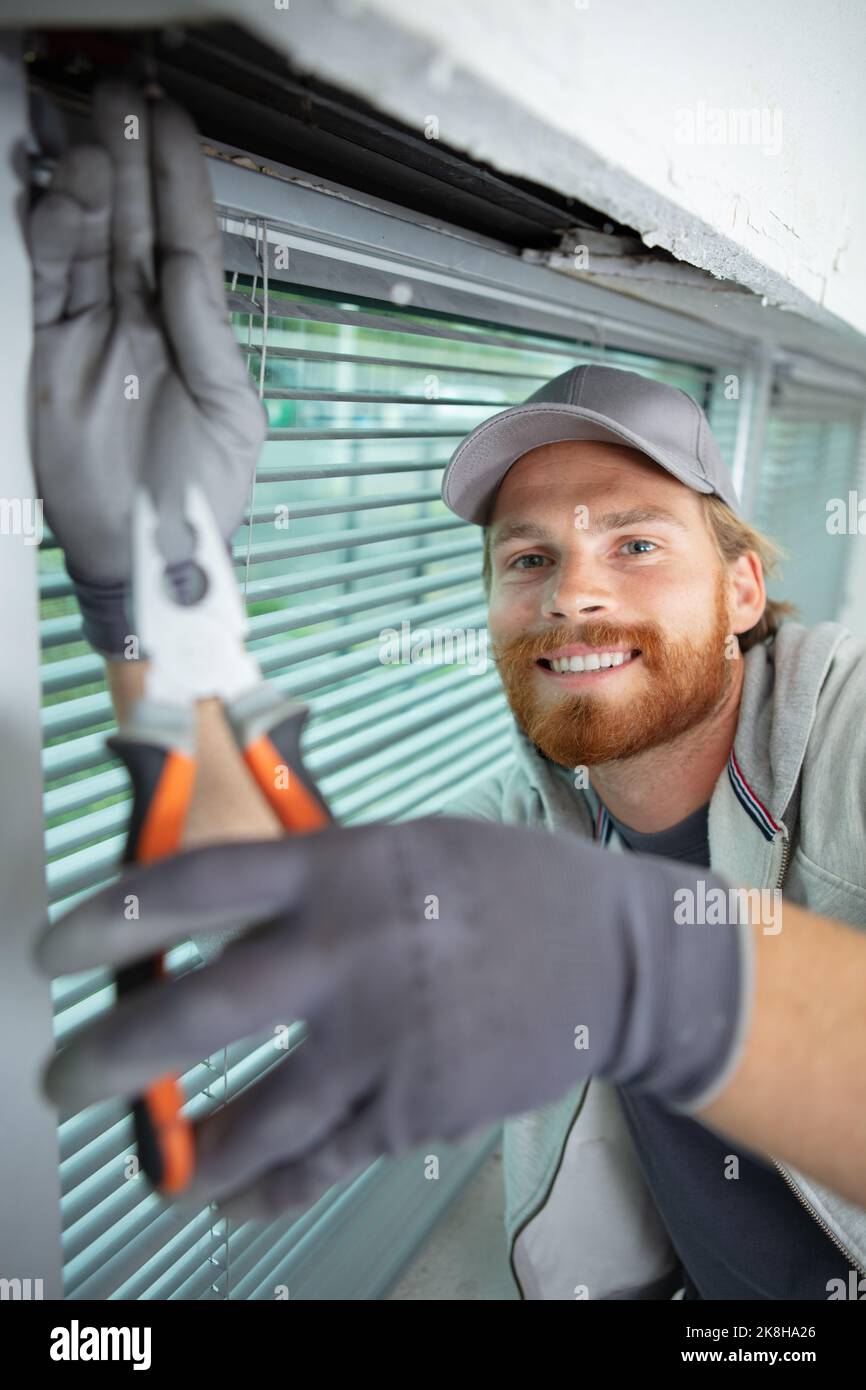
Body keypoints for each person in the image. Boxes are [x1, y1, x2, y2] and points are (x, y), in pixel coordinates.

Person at [30, 84, 866, 1297]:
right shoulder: (540, 817)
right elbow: (288, 924)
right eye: (528, 559)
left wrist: (642, 969)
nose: (570, 595)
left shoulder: (848, 732)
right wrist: (157, 594)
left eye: (634, 544)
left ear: (742, 589)